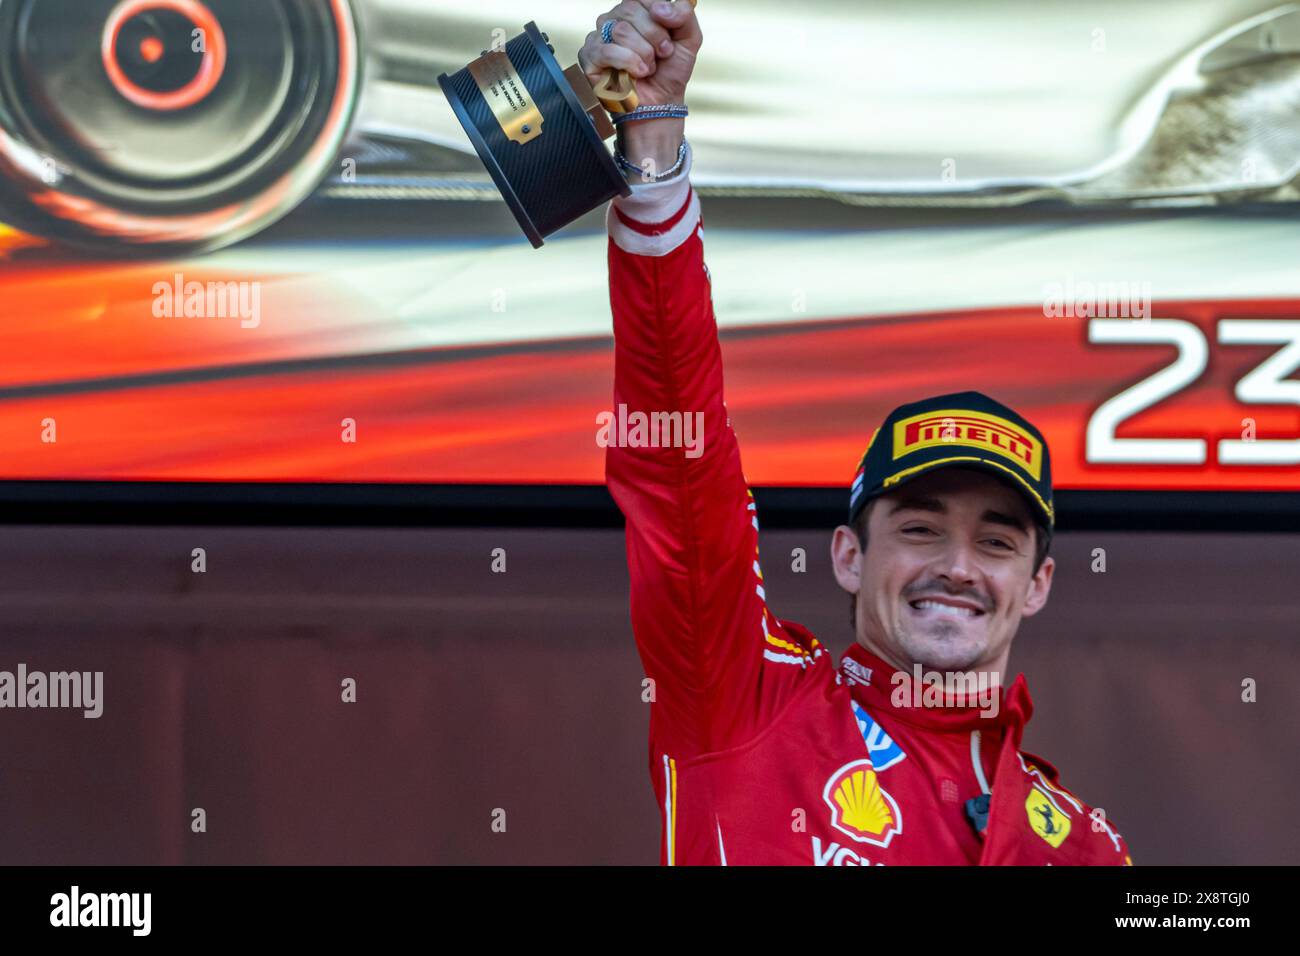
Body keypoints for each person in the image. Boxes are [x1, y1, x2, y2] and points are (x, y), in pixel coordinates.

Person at [582, 0, 1132, 866]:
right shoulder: (747, 699)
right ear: (846, 555)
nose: (957, 566)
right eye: (918, 529)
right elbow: (676, 471)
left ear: (1038, 583)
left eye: (996, 541)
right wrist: (652, 157)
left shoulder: (1080, 845)